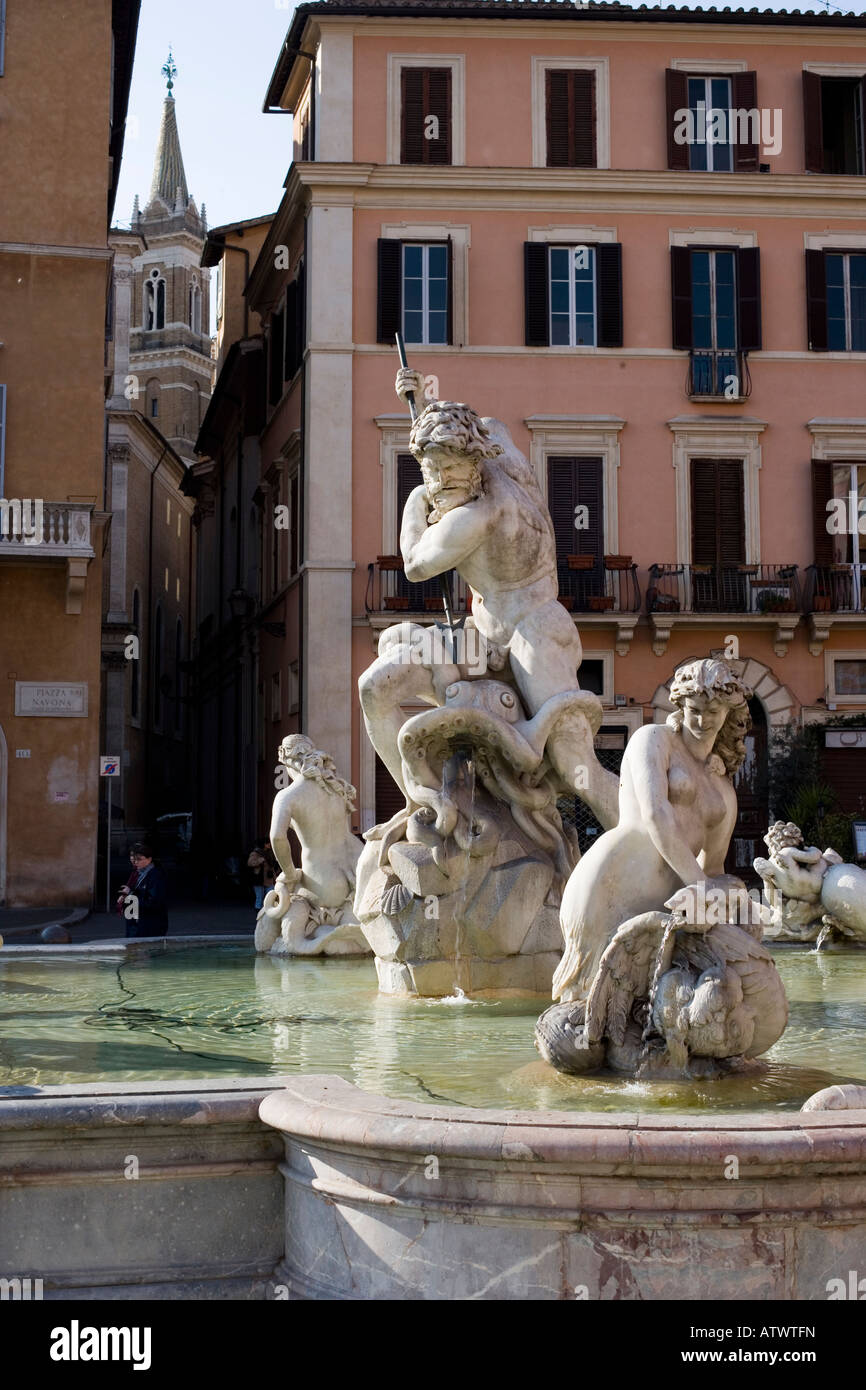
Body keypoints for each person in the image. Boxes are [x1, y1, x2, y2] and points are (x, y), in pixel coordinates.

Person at [359, 370, 618, 839]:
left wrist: (415, 500)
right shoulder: (496, 438)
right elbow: (469, 423)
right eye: (430, 471)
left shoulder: (478, 517)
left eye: (449, 472)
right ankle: (427, 801)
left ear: (474, 462)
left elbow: (416, 564)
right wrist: (418, 402)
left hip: (534, 632)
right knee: (375, 688)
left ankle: (648, 848)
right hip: (480, 639)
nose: (438, 483)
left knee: (574, 765)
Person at [553, 658, 752, 1005]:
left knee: (649, 1012)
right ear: (680, 705)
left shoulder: (722, 789)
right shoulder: (654, 739)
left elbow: (713, 865)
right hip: (612, 885)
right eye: (694, 710)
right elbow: (656, 816)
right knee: (582, 1006)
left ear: (728, 714)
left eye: (714, 712)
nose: (703, 721)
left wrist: (724, 898)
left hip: (665, 906)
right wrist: (703, 889)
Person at [124, 841, 169, 938]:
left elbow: (153, 902)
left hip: (149, 924)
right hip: (135, 921)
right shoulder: (137, 872)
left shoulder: (155, 876)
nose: (135, 862)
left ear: (149, 859)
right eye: (133, 859)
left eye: (139, 859)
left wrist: (130, 896)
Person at [248, 840, 277, 911]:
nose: (269, 844)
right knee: (259, 897)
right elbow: (250, 863)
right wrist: (259, 861)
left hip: (268, 878)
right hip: (259, 878)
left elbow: (272, 866)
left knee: (271, 896)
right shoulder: (255, 853)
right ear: (264, 844)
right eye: (267, 843)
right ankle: (259, 913)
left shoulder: (269, 853)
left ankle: (268, 911)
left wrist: (275, 877)